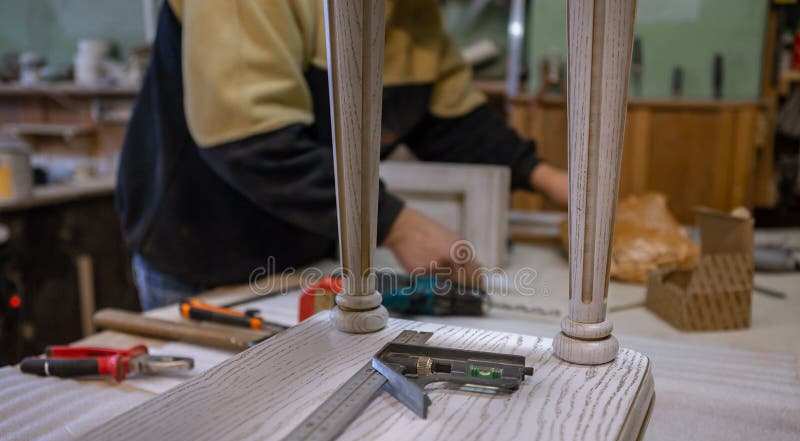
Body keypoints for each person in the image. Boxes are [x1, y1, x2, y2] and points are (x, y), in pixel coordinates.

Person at [117, 0, 568, 310]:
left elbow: (447, 119)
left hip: (304, 254)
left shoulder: (411, 11)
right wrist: (396, 224)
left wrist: (547, 179)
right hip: (204, 249)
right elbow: (252, 139)